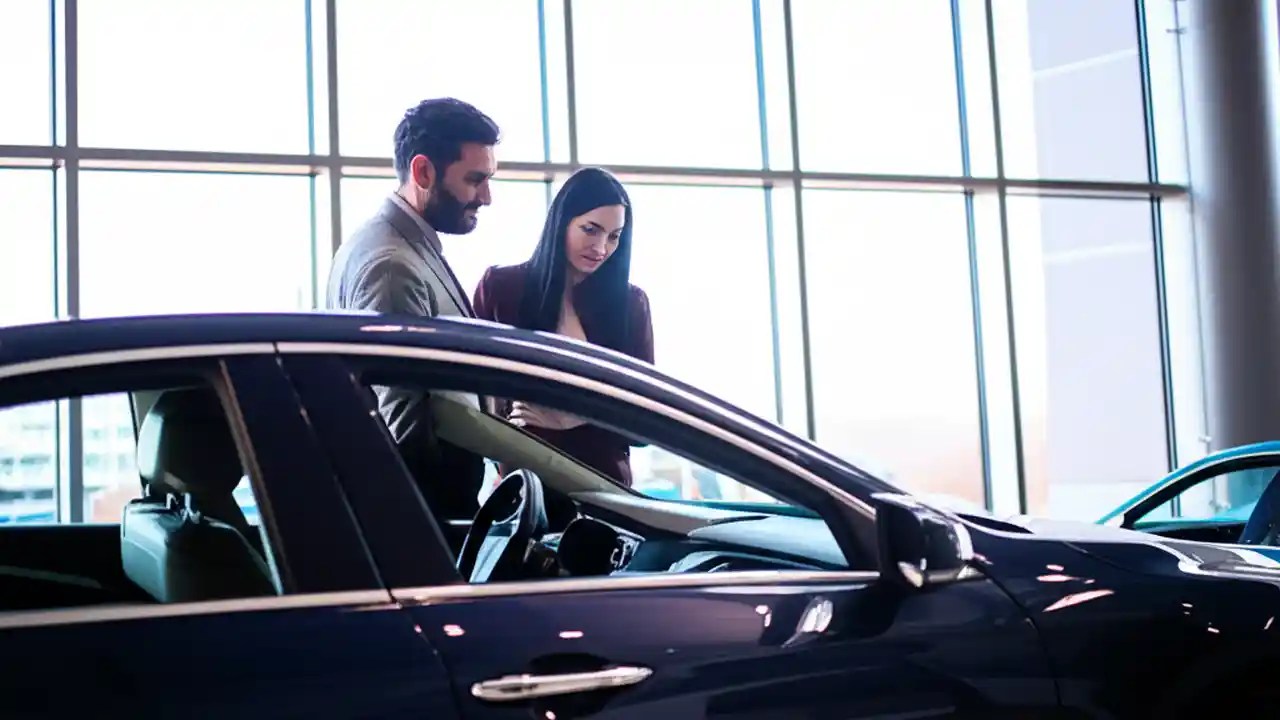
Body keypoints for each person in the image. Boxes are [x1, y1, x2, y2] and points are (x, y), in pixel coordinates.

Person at [326, 97, 500, 520]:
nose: (487, 197)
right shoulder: (391, 264)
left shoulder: (402, 246)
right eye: (475, 179)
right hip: (426, 523)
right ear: (423, 172)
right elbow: (405, 426)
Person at [472, 167, 654, 487]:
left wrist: (572, 414)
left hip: (604, 484)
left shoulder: (630, 305)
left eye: (614, 237)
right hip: (525, 480)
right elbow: (474, 396)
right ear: (561, 223)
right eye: (590, 230)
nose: (601, 248)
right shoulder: (502, 289)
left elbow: (645, 425)